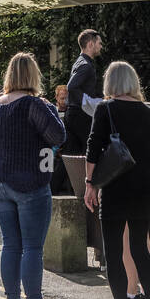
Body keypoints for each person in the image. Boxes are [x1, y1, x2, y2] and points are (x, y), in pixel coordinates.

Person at [0, 51, 68, 299]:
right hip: (31, 183)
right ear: (33, 76)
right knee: (32, 247)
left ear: (9, 76)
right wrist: (50, 109)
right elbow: (59, 135)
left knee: (10, 245)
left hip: (0, 183)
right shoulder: (35, 105)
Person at [84, 61, 150, 299]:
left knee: (114, 252)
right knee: (141, 248)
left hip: (115, 188)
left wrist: (89, 184)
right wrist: (148, 189)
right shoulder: (147, 112)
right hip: (141, 188)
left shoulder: (105, 109)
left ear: (110, 83)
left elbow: (93, 147)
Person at [52, 29, 103, 194]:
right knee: (89, 152)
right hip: (81, 115)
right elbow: (72, 86)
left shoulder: (79, 61)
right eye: (99, 43)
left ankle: (54, 191)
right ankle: (87, 191)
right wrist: (89, 102)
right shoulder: (86, 66)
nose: (101, 46)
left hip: (73, 114)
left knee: (70, 155)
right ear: (90, 44)